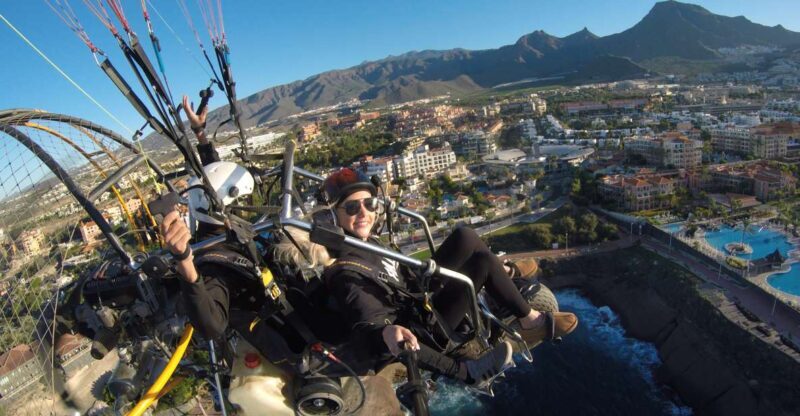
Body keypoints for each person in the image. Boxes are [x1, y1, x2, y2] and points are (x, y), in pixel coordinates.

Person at [320, 168, 578, 388]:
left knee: (465, 237)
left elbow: (398, 275)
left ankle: (505, 274)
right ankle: (531, 320)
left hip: (418, 294)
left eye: (369, 204)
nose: (364, 213)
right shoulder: (346, 273)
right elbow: (370, 326)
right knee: (482, 263)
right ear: (334, 217)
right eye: (352, 207)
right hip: (428, 328)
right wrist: (387, 333)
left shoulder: (368, 242)